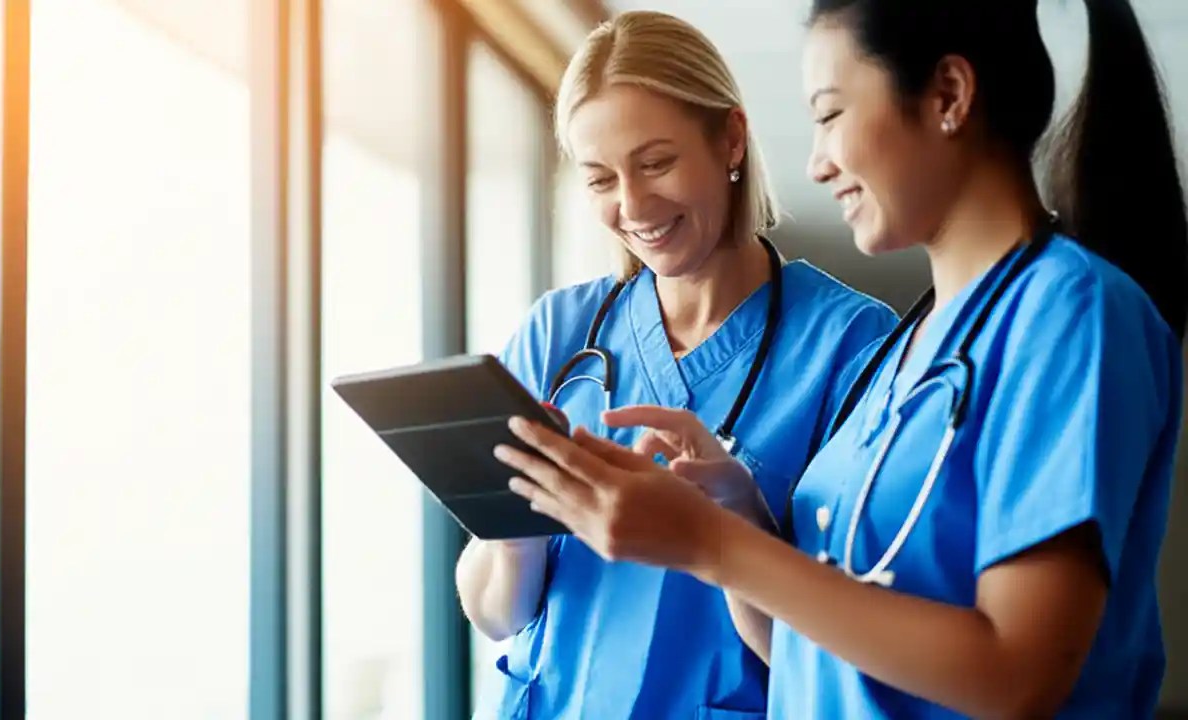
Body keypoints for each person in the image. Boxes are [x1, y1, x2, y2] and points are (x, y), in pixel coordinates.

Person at [495, 0, 1187, 717]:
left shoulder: (1069, 313)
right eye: (600, 176)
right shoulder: (910, 350)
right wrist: (739, 519)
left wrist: (711, 544)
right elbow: (810, 641)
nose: (816, 163)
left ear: (948, 96)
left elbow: (1018, 673)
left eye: (829, 115)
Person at [457, 9, 896, 719]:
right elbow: (497, 613)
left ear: (730, 138)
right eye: (600, 180)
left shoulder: (852, 348)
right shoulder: (556, 335)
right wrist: (521, 522)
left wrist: (738, 525)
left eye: (656, 163)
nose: (633, 205)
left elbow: (857, 655)